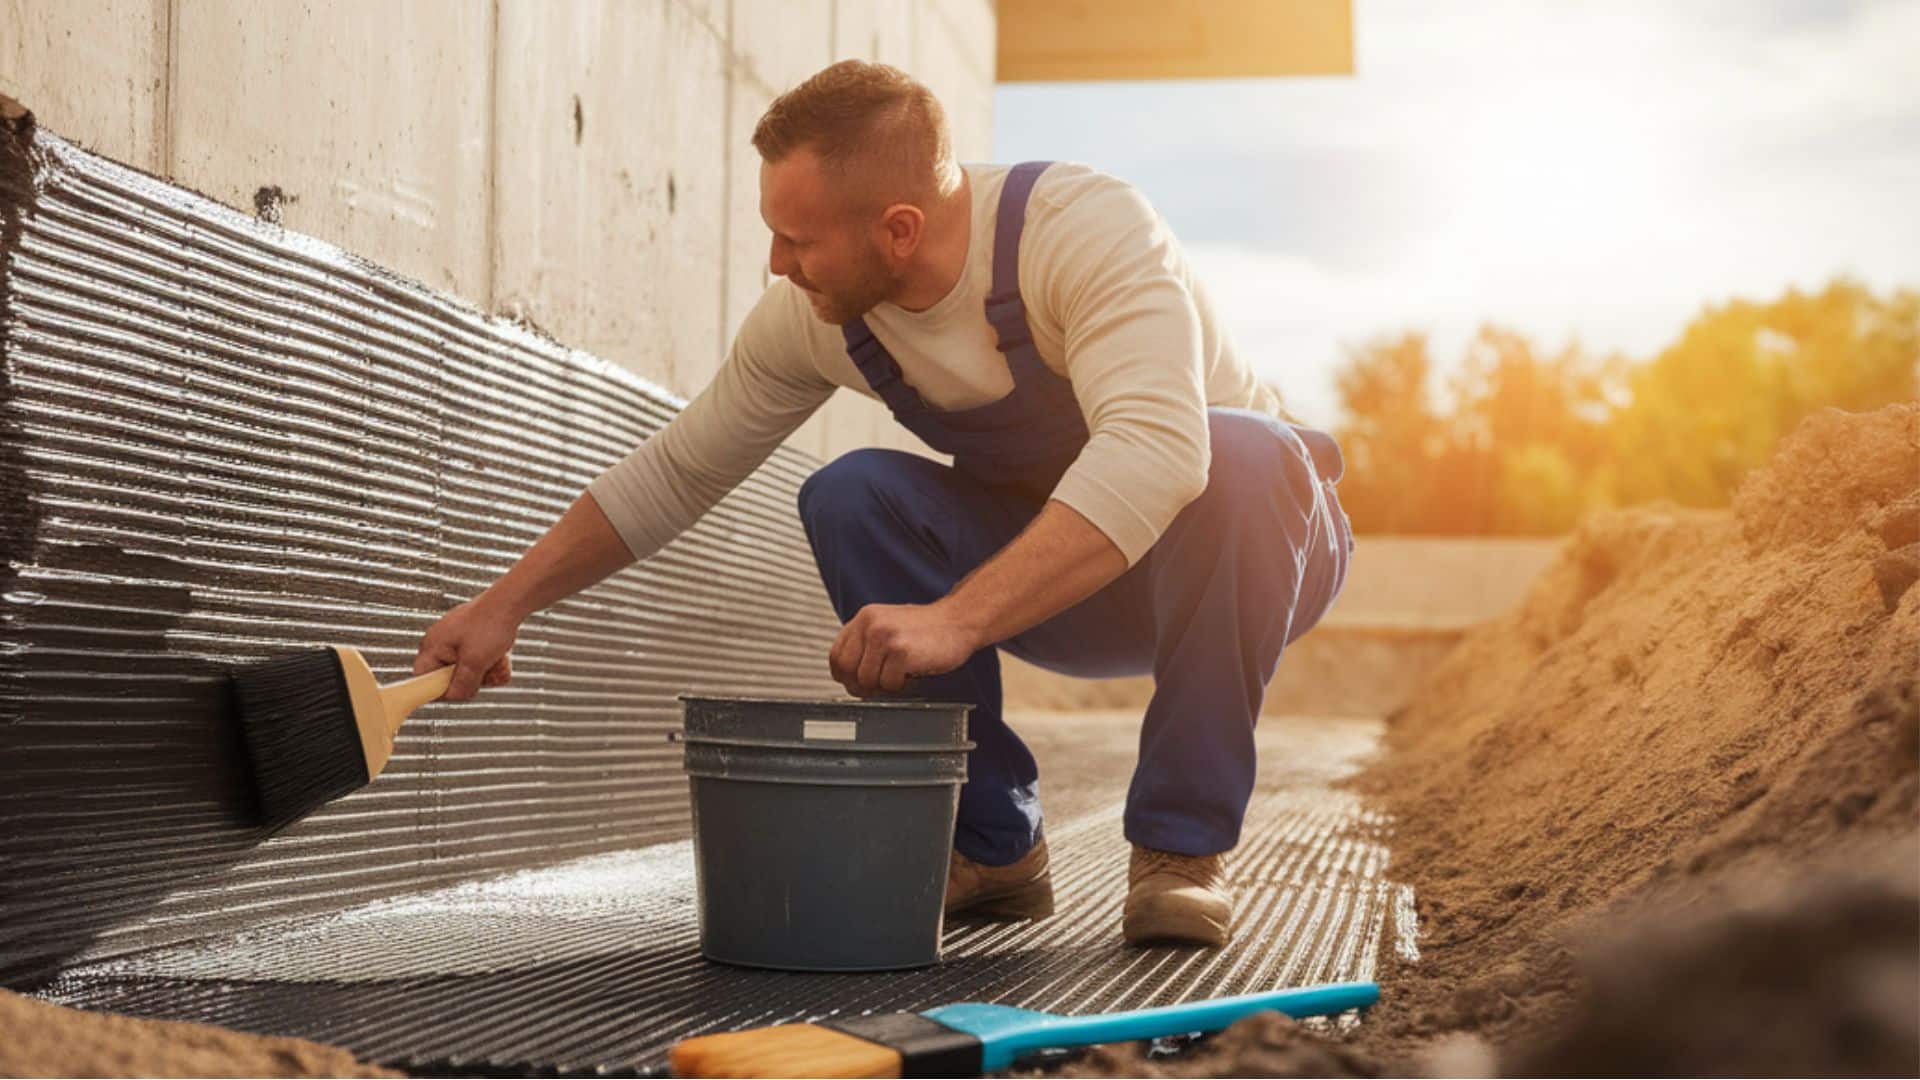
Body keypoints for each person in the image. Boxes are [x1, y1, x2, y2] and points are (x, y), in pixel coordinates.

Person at [412, 60, 1353, 947]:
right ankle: (992, 843)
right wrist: (505, 606)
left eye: (798, 239)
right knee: (851, 493)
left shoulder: (1082, 228)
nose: (777, 262)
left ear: (898, 229)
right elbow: (676, 473)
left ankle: (1180, 847)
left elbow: (1155, 455)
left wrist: (956, 619)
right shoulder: (816, 320)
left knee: (1238, 453)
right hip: (1065, 583)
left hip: (1252, 555)